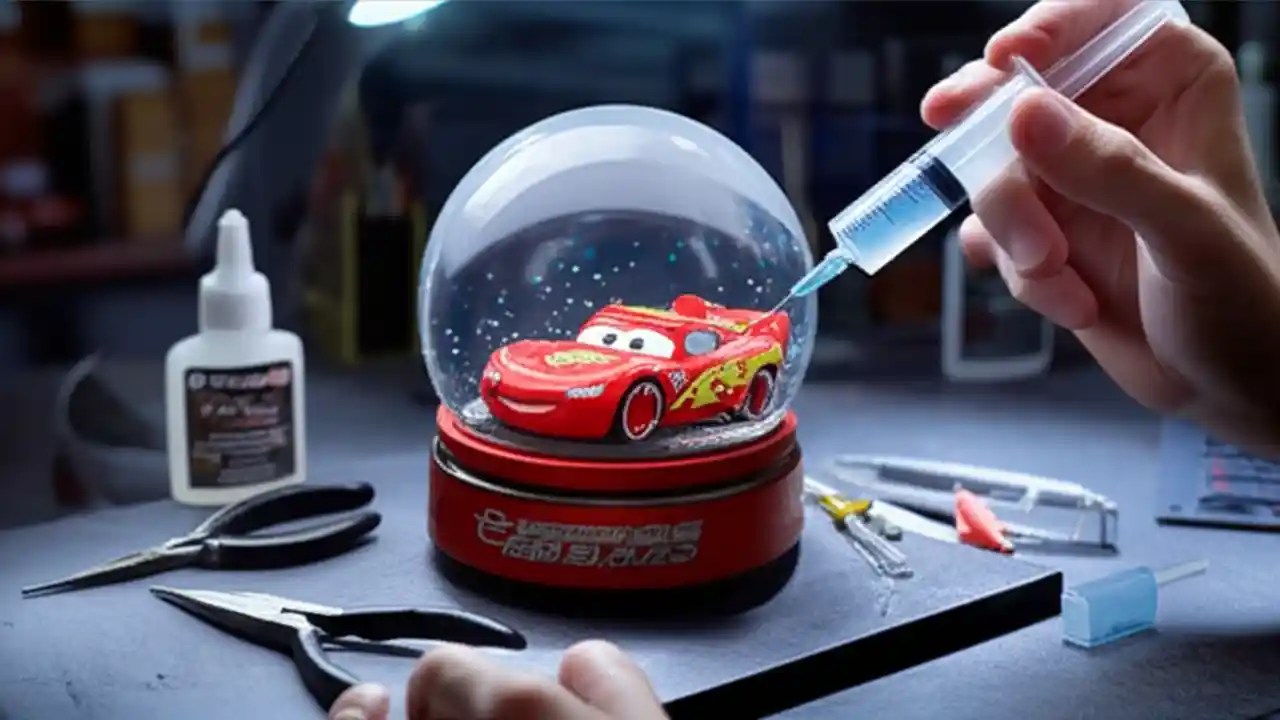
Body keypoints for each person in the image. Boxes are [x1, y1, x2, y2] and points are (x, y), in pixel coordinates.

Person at [328, 1, 1280, 717]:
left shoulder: (708, 360)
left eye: (621, 343)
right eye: (607, 341)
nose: (603, 348)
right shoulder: (580, 350)